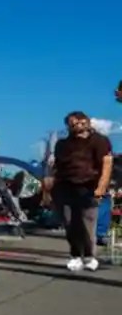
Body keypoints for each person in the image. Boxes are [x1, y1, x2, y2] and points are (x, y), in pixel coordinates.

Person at [42, 111, 113, 272]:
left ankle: (89, 256)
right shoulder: (62, 144)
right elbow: (55, 166)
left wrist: (101, 187)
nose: (77, 126)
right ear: (68, 126)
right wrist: (48, 188)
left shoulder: (100, 141)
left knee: (88, 223)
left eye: (81, 122)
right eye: (73, 123)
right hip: (64, 186)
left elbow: (106, 164)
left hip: (89, 186)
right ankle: (75, 255)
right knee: (69, 224)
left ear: (87, 123)